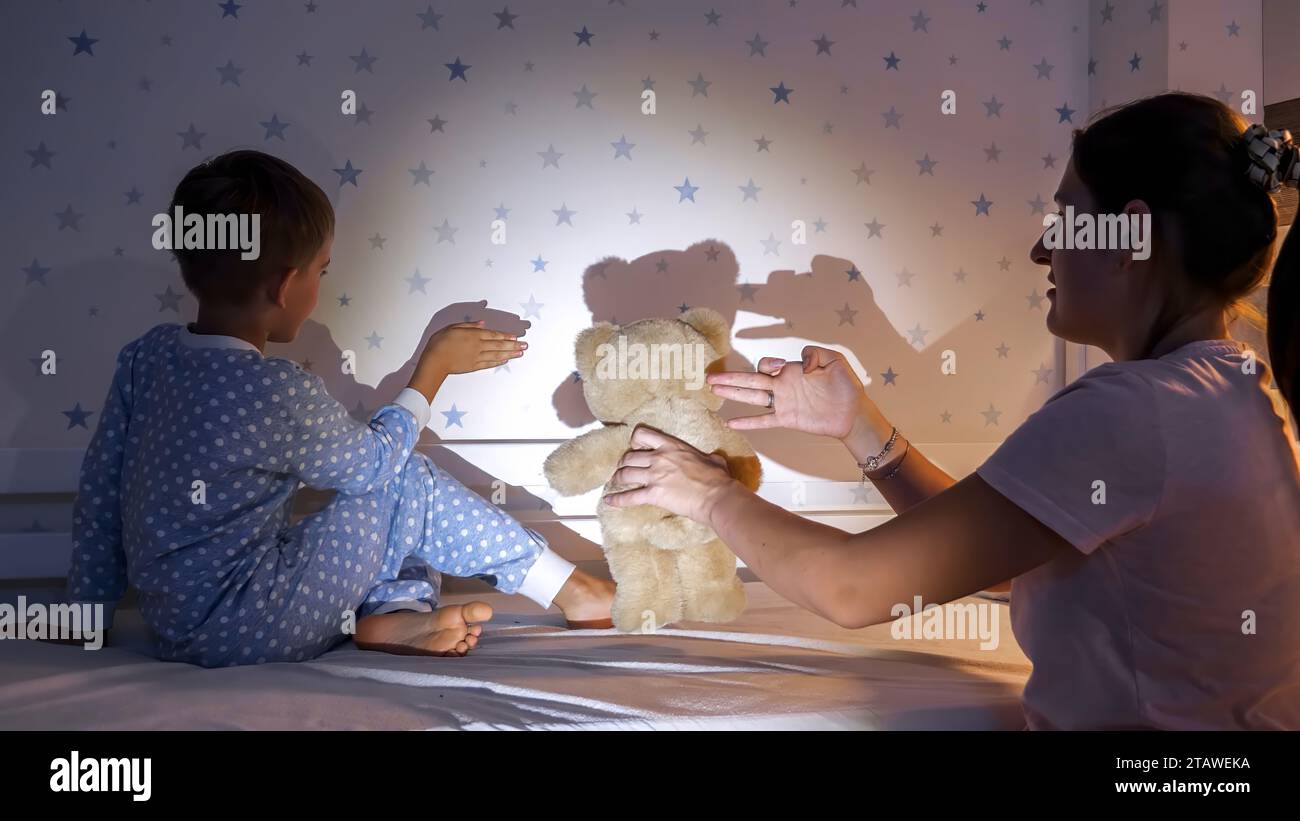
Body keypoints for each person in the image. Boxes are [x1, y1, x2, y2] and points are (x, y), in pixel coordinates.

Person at [603, 93, 1300, 730]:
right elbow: (1006, 555)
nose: (1040, 248)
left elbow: (851, 589)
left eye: (1065, 217)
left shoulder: (1133, 410)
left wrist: (710, 492)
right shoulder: (1231, 387)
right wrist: (861, 427)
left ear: (1129, 236)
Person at [65, 150, 613, 667]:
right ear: (286, 286)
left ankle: (395, 615)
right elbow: (375, 465)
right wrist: (432, 371)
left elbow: (102, 490)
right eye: (321, 271)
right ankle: (574, 589)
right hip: (250, 627)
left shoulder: (146, 359)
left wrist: (87, 611)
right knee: (405, 479)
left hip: (174, 626)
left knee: (386, 496)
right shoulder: (273, 389)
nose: (321, 285)